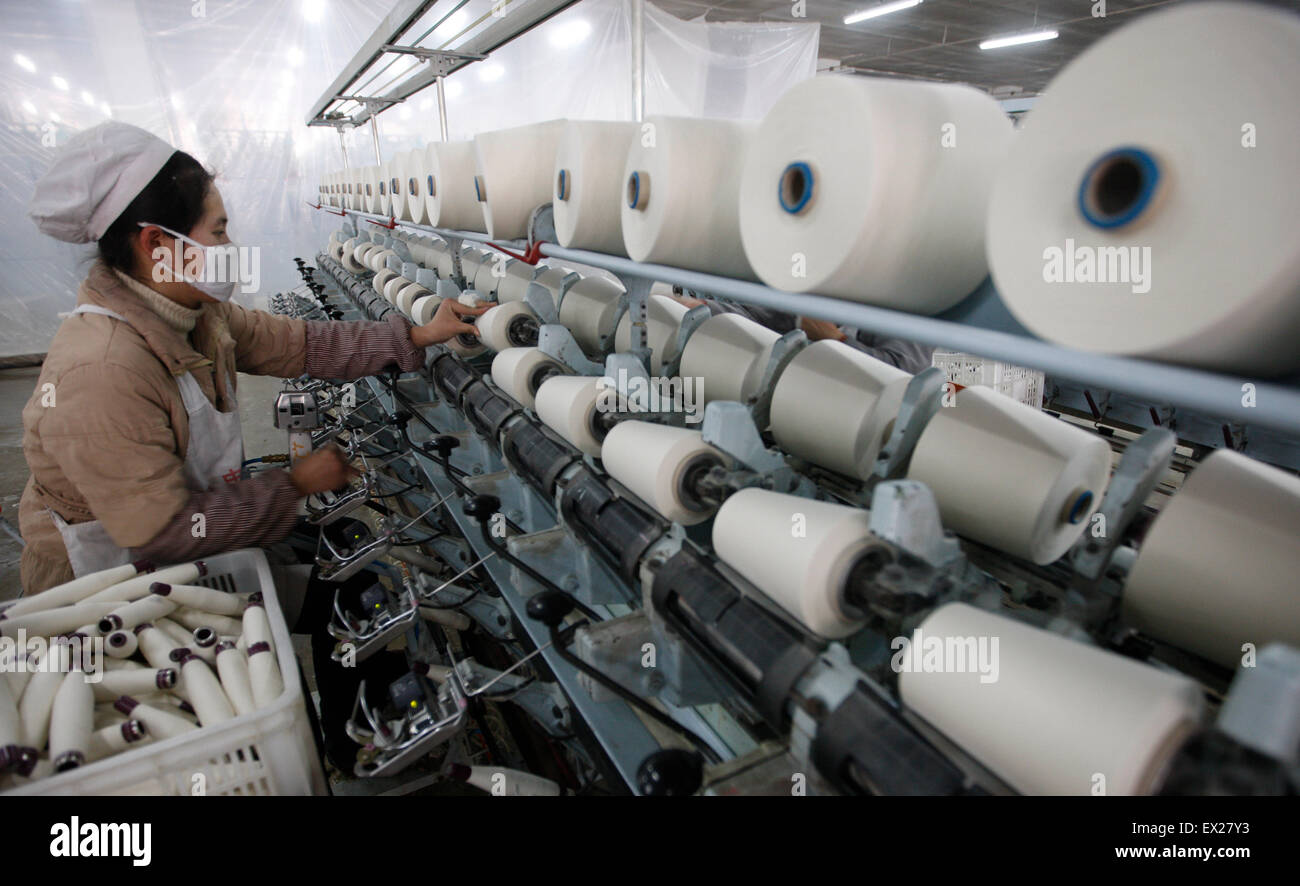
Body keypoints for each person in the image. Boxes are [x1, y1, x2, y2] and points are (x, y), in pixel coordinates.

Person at [18, 121, 486, 594]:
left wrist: (420, 332)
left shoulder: (198, 314)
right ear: (157, 245)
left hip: (189, 546)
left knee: (335, 587)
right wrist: (294, 485)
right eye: (217, 232)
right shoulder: (102, 371)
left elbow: (303, 344)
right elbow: (165, 531)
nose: (228, 248)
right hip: (111, 591)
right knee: (330, 598)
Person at [668, 286, 934, 374]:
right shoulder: (820, 280)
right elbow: (761, 316)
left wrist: (834, 339)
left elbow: (905, 375)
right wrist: (702, 307)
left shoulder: (909, 299)